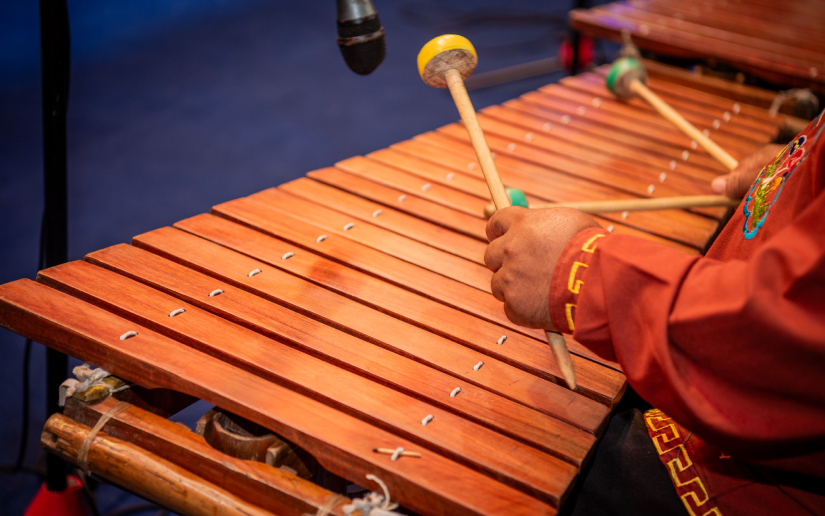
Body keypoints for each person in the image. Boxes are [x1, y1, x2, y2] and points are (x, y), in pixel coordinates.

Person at [484, 112, 825, 516]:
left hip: (766, 480)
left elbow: (789, 337)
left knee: (499, 464)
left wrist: (582, 270)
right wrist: (795, 183)